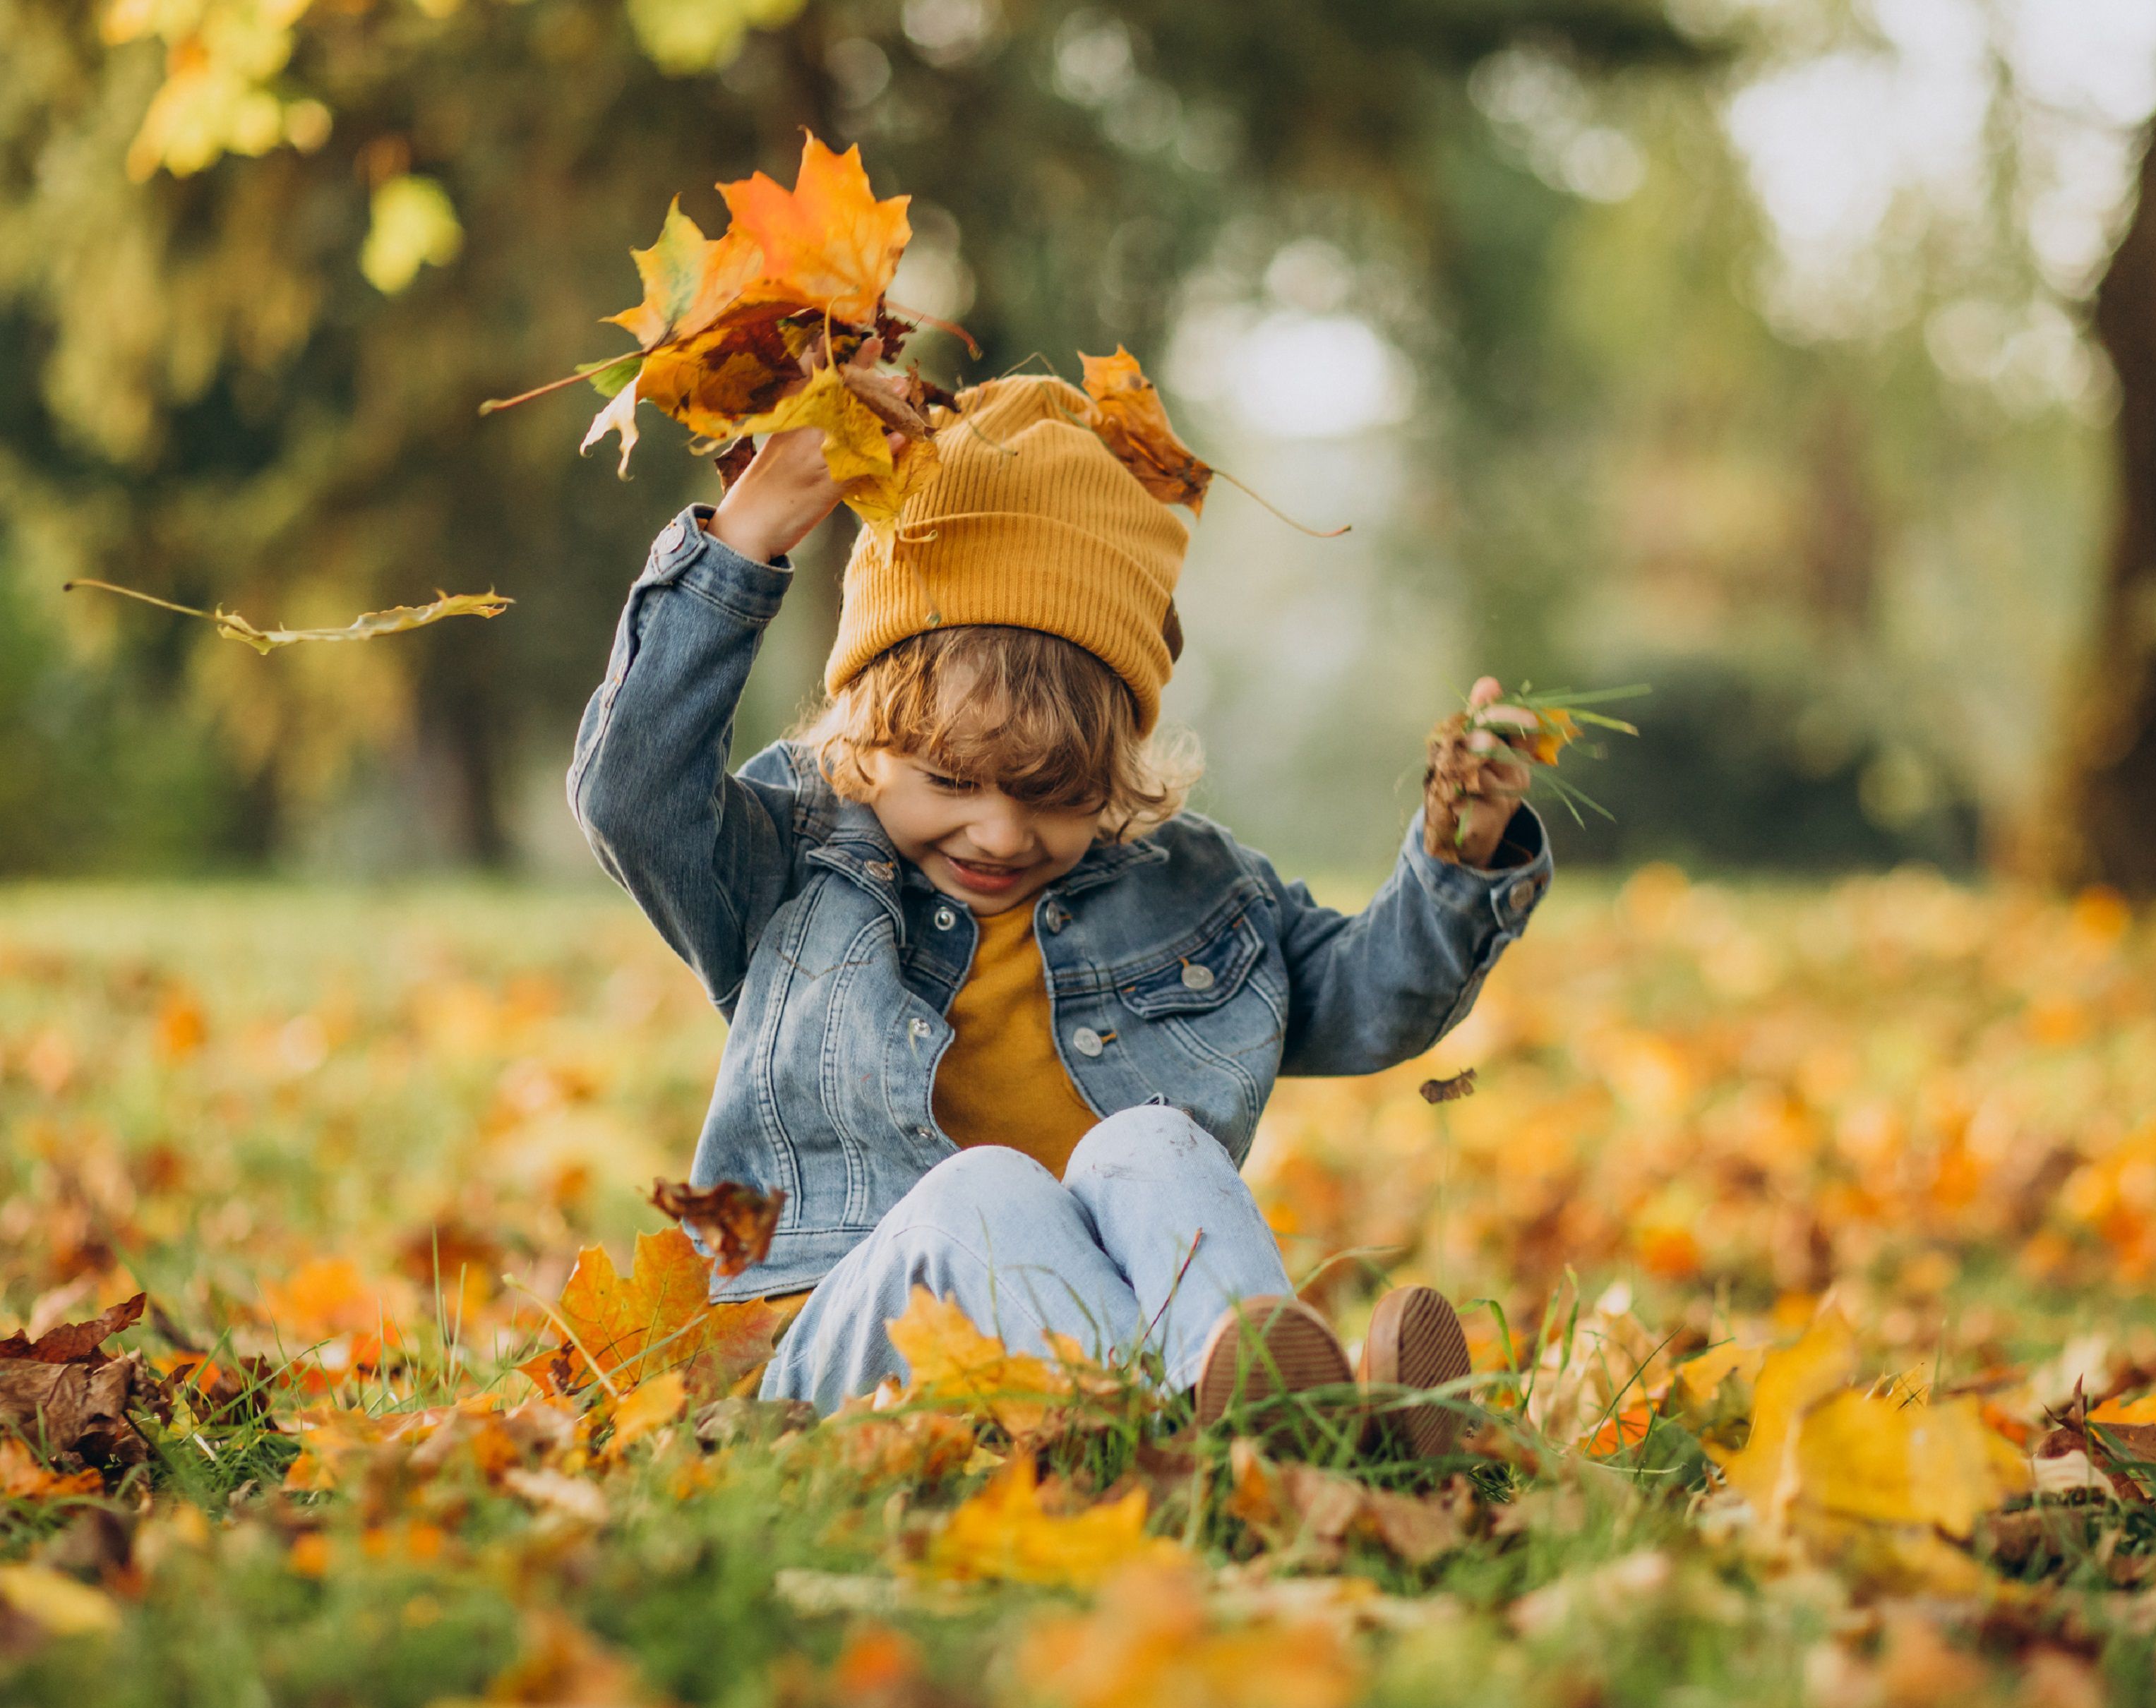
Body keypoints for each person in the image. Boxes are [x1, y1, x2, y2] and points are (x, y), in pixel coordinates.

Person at [567, 341, 1554, 1454]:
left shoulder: (1190, 891)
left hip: (1067, 1367)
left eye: (1056, 794)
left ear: (1119, 774)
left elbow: (1374, 1002)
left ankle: (1265, 1419)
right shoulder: (789, 856)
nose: (999, 832)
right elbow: (632, 796)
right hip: (837, 1360)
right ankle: (1277, 1436)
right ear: (865, 738)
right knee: (985, 1188)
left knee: (1156, 1145)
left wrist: (1460, 856)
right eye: (949, 780)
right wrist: (743, 543)